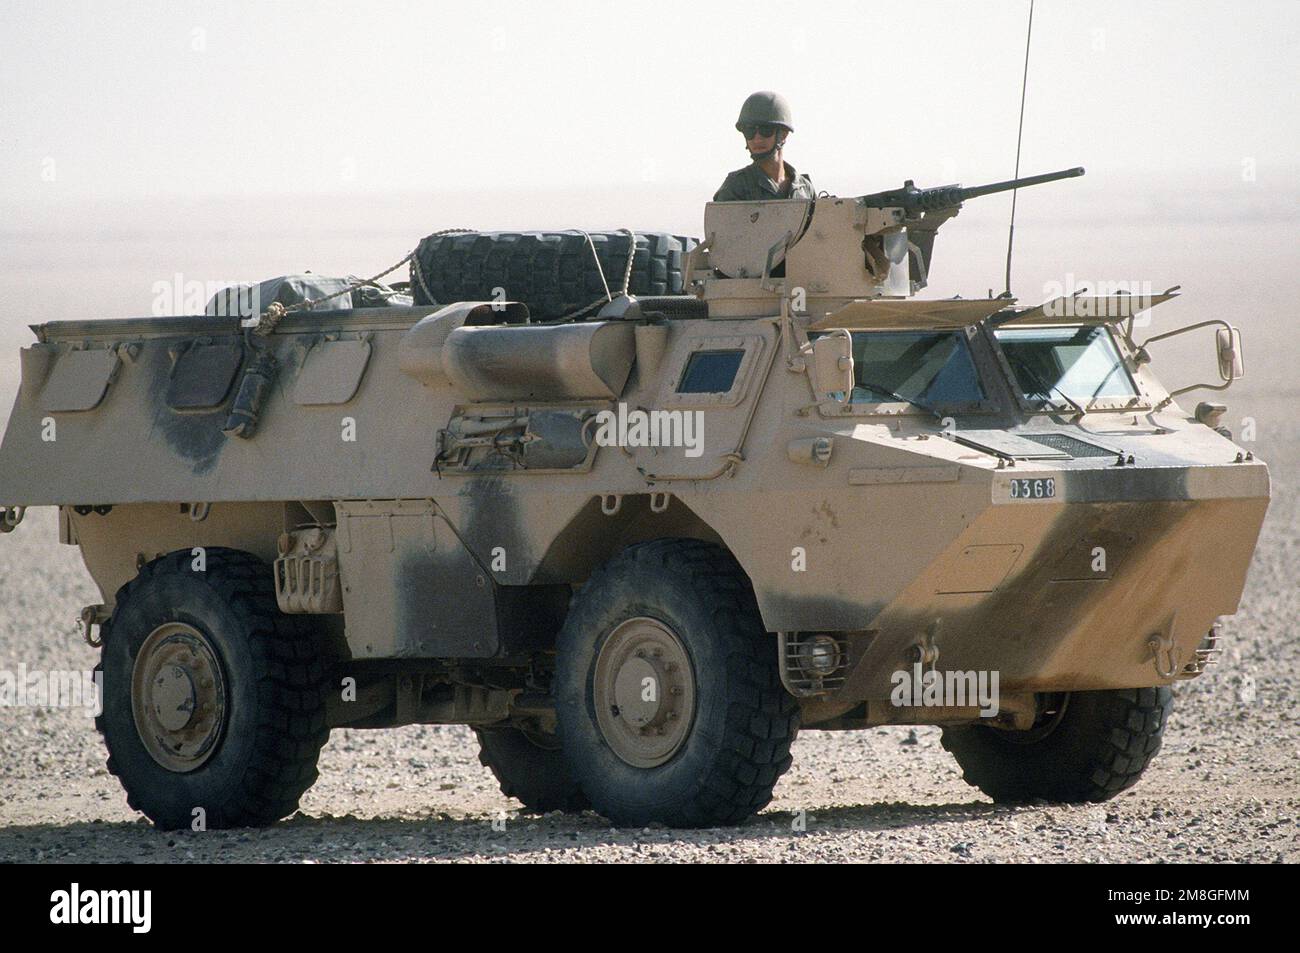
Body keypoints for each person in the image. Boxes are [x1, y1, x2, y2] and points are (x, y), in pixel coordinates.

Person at [713, 91, 815, 202]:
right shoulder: (736, 187)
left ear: (784, 134)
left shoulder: (804, 189)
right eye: (750, 131)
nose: (757, 139)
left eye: (765, 130)